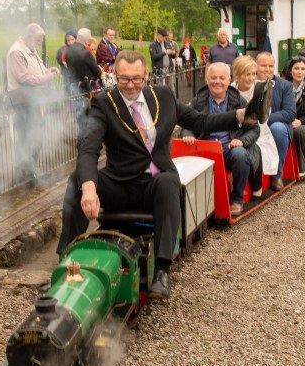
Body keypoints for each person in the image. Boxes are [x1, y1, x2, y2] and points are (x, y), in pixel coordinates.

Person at [57, 50, 254, 300]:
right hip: (119, 184)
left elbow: (201, 121)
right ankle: (66, 259)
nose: (130, 85)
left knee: (169, 180)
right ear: (114, 75)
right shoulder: (104, 104)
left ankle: (161, 270)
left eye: (137, 79)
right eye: (124, 79)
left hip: (153, 187)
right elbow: (89, 148)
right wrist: (88, 187)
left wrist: (240, 116)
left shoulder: (163, 96)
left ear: (146, 75)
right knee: (77, 179)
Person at [182, 62, 260, 217]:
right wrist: (187, 133)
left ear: (229, 80)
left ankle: (236, 199)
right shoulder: (198, 101)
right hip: (205, 151)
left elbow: (254, 128)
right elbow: (186, 122)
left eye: (222, 78)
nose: (217, 81)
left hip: (229, 150)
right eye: (213, 77)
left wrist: (242, 141)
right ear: (206, 79)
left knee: (240, 154)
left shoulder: (239, 101)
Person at [7, 23, 62, 182]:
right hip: (22, 101)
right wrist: (48, 77)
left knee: (35, 135)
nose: (40, 43)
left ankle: (30, 171)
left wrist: (48, 71)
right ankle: (25, 173)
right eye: (39, 40)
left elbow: (36, 72)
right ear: (30, 36)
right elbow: (24, 78)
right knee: (26, 136)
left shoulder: (30, 50)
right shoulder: (17, 52)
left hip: (32, 100)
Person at [232, 56, 278, 190]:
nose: (251, 78)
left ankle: (256, 185)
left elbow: (263, 117)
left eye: (253, 74)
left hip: (258, 130)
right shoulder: (230, 90)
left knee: (254, 147)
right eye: (247, 74)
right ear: (238, 74)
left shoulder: (261, 89)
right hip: (234, 130)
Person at [256, 51, 295, 192]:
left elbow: (290, 113)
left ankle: (277, 175)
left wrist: (264, 119)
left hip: (273, 126)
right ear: (255, 66)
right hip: (252, 127)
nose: (267, 69)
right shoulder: (248, 83)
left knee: (278, 129)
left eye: (271, 66)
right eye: (263, 66)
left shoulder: (285, 86)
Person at [64, 27, 102, 95]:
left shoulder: (68, 51)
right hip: (87, 89)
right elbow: (98, 72)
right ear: (87, 40)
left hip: (75, 88)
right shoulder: (86, 53)